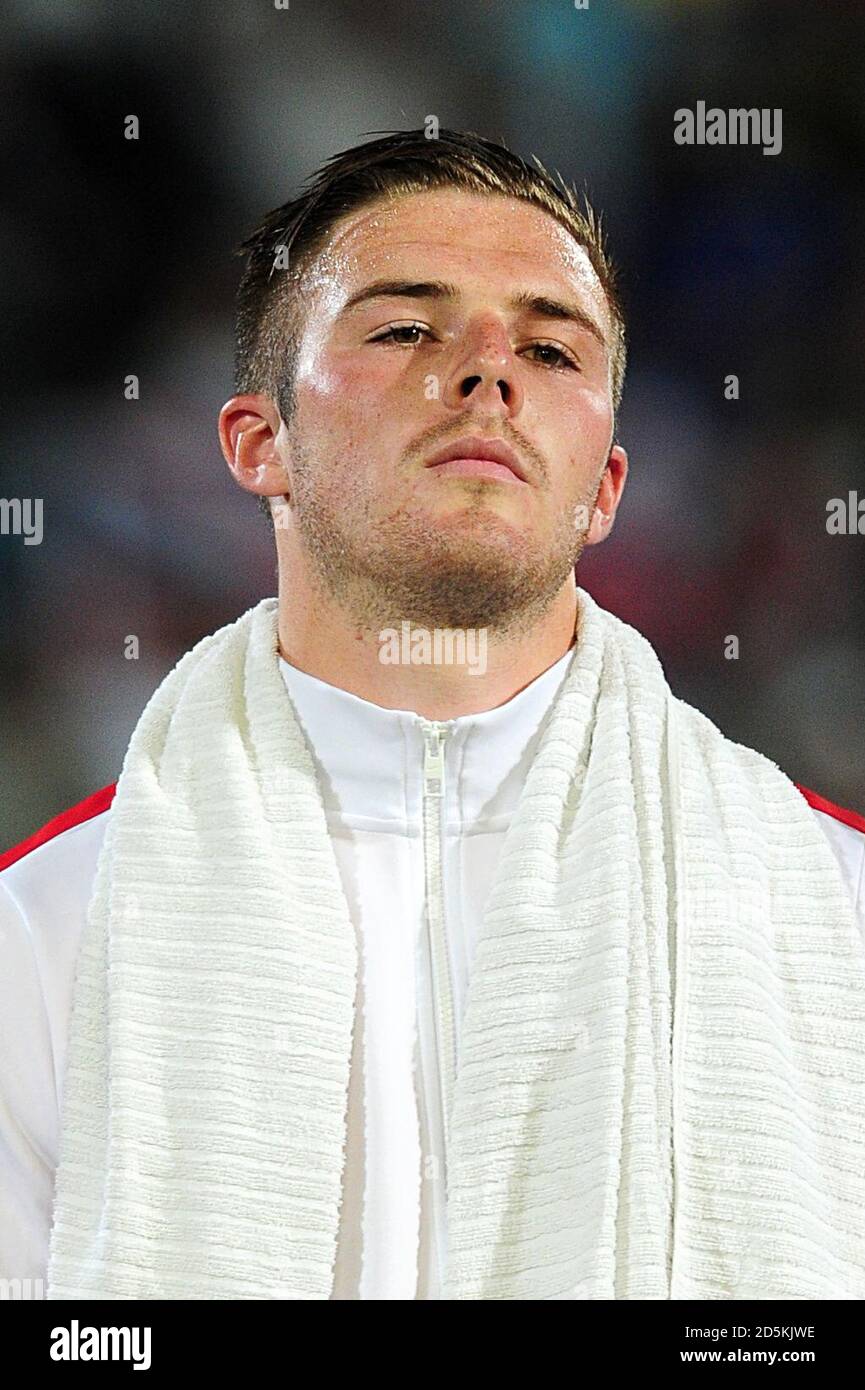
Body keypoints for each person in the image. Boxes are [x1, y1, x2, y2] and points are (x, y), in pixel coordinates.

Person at [1, 129, 864, 1302]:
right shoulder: (42, 932)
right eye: (406, 327)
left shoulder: (831, 905)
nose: (488, 372)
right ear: (262, 444)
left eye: (551, 347)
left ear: (605, 484)